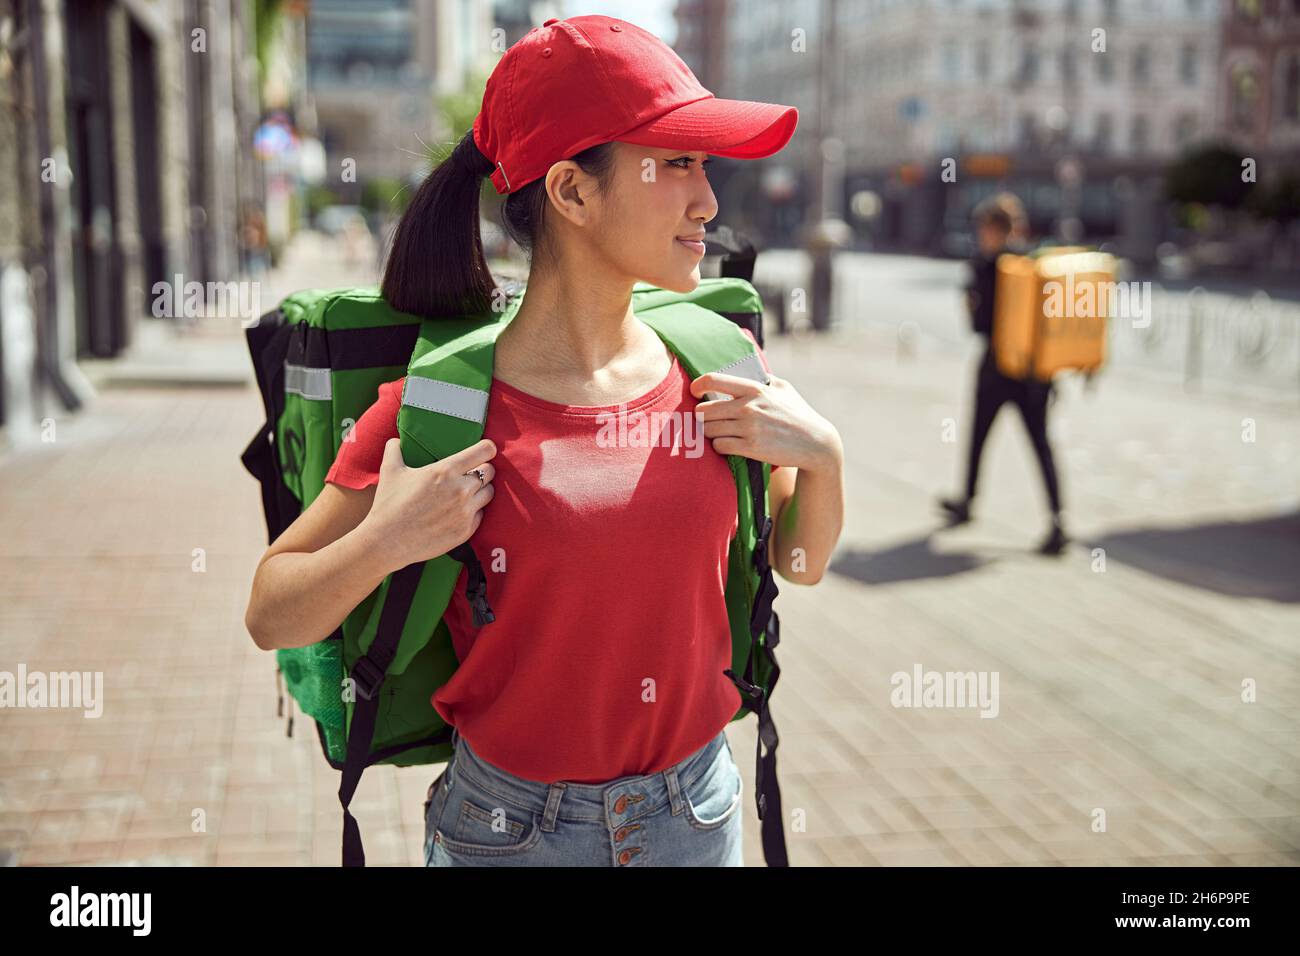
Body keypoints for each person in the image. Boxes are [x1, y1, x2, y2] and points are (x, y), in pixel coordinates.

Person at [244, 15, 846, 867]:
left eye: (703, 166)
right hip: (509, 833)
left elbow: (798, 564)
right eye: (675, 162)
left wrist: (824, 457)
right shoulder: (440, 408)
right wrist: (389, 537)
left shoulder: (722, 365)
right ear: (571, 191)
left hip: (698, 815)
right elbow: (272, 611)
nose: (708, 200)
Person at [938, 193, 1068, 556]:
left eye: (983, 229)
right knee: (1041, 445)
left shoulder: (988, 265)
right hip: (1035, 375)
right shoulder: (1036, 264)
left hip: (997, 369)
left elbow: (979, 325)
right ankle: (1059, 521)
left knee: (978, 437)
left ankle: (967, 502)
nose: (980, 236)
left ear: (995, 230)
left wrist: (971, 300)